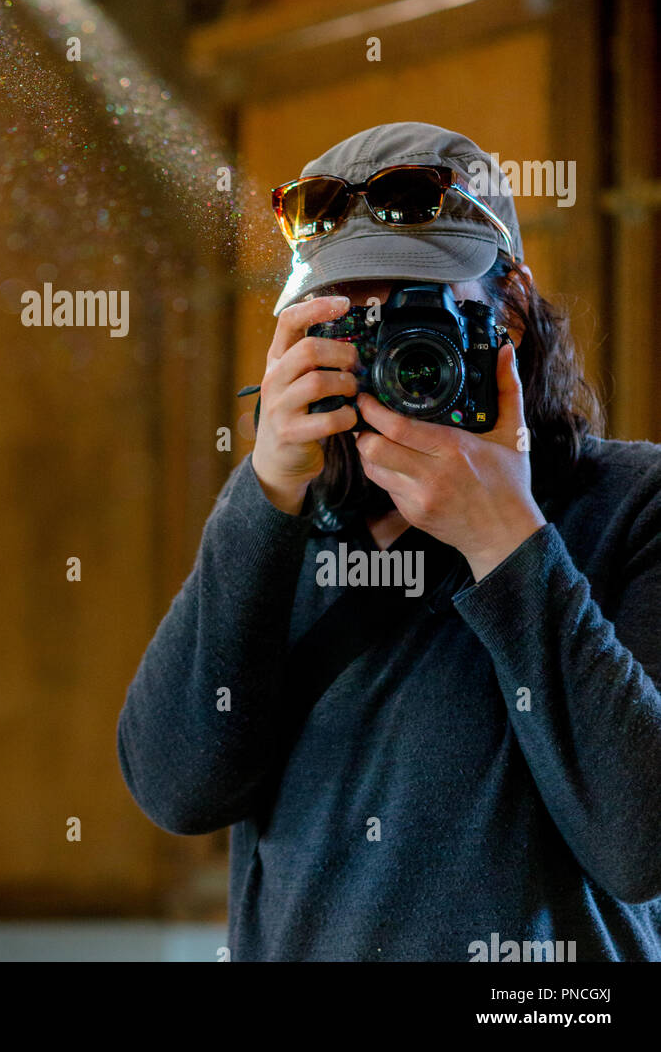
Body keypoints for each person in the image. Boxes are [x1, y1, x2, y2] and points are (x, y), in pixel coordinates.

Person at [117, 120, 661, 961]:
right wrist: (263, 494)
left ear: (509, 309)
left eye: (423, 309)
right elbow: (175, 789)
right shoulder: (280, 522)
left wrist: (509, 546)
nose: (396, 355)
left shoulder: (634, 504)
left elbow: (644, 845)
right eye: (351, 323)